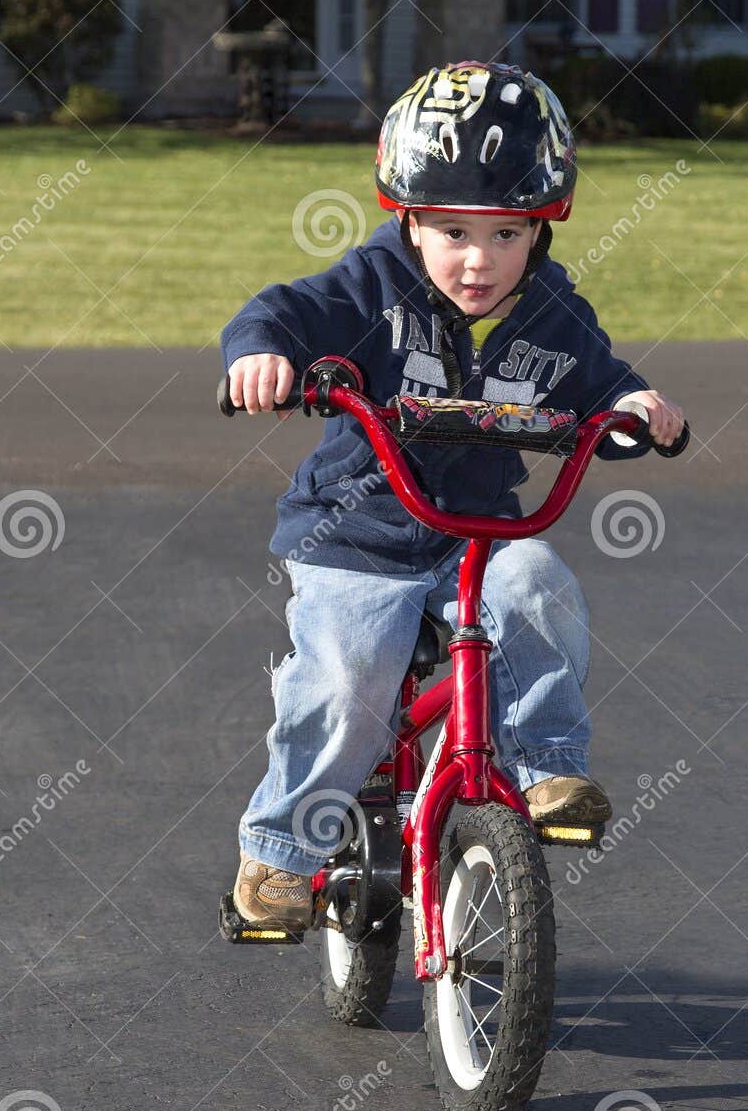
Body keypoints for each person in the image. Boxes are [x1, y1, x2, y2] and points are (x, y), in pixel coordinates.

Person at [222, 61, 686, 931]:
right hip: (357, 535)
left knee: (536, 581)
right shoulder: (367, 288)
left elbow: (600, 388)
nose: (480, 260)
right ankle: (280, 855)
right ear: (406, 220)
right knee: (351, 677)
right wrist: (264, 357)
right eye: (452, 232)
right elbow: (277, 313)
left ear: (542, 230)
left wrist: (632, 408)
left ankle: (546, 765)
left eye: (507, 235)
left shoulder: (551, 310)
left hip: (477, 535)